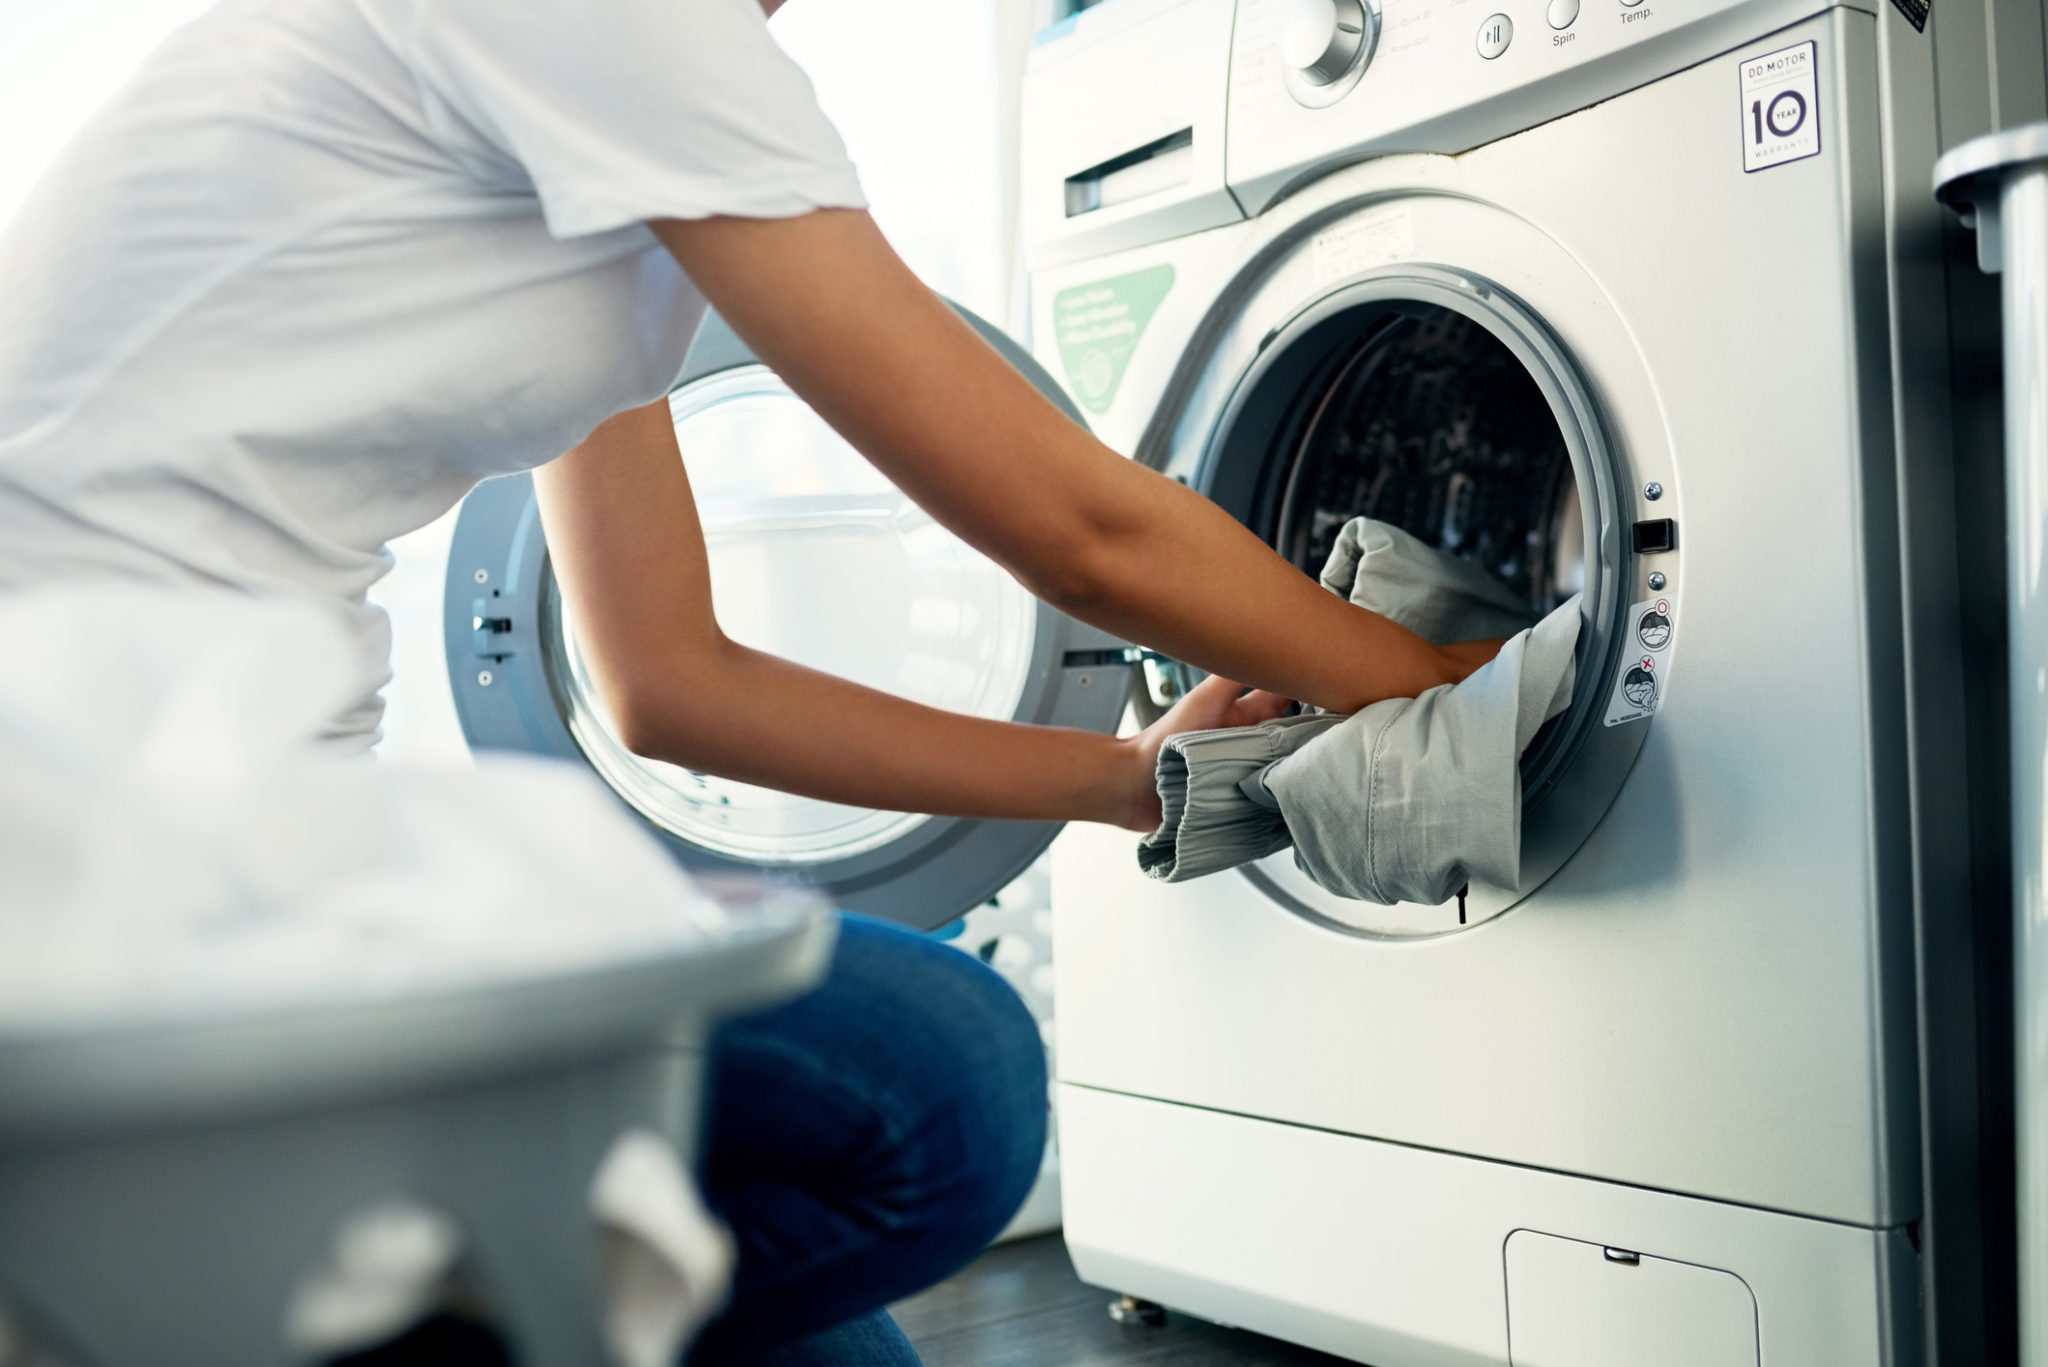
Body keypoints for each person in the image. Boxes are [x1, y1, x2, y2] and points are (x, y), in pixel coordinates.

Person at [0, 0, 1499, 1360]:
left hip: (203, 832)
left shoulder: (622, 124)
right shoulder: (626, 33)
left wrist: (1128, 781)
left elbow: (671, 680)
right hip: (87, 847)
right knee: (943, 1079)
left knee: (839, 1336)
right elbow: (1079, 531)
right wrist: (1446, 681)